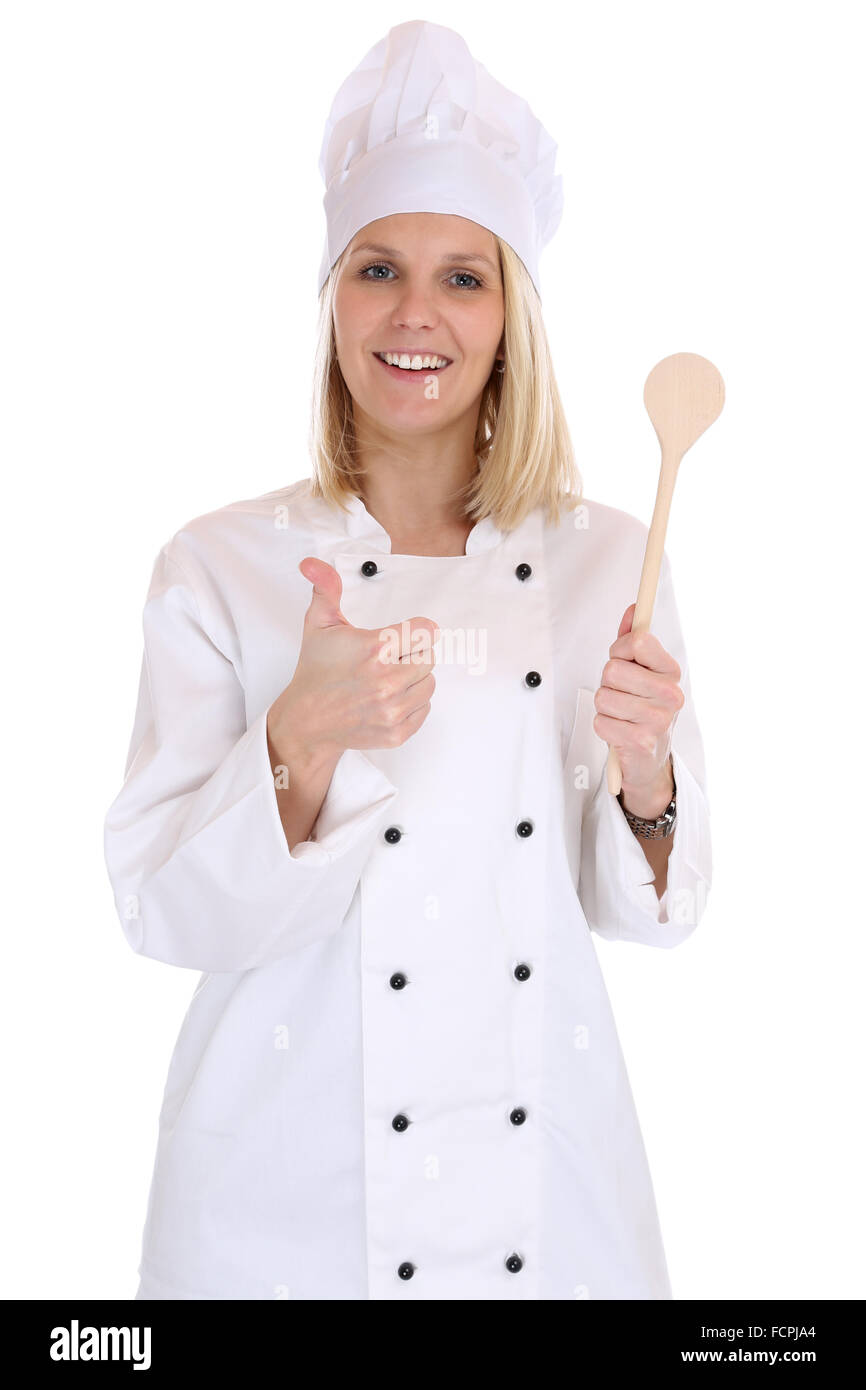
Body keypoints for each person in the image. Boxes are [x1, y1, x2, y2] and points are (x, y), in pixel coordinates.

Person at [103, 19, 712, 1301]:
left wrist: (645, 770)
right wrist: (298, 741)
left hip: (541, 1196)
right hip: (280, 1197)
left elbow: (647, 912)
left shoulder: (612, 558)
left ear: (511, 315)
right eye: (377, 267)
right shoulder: (218, 564)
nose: (416, 315)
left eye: (463, 275)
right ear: (330, 296)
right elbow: (159, 908)